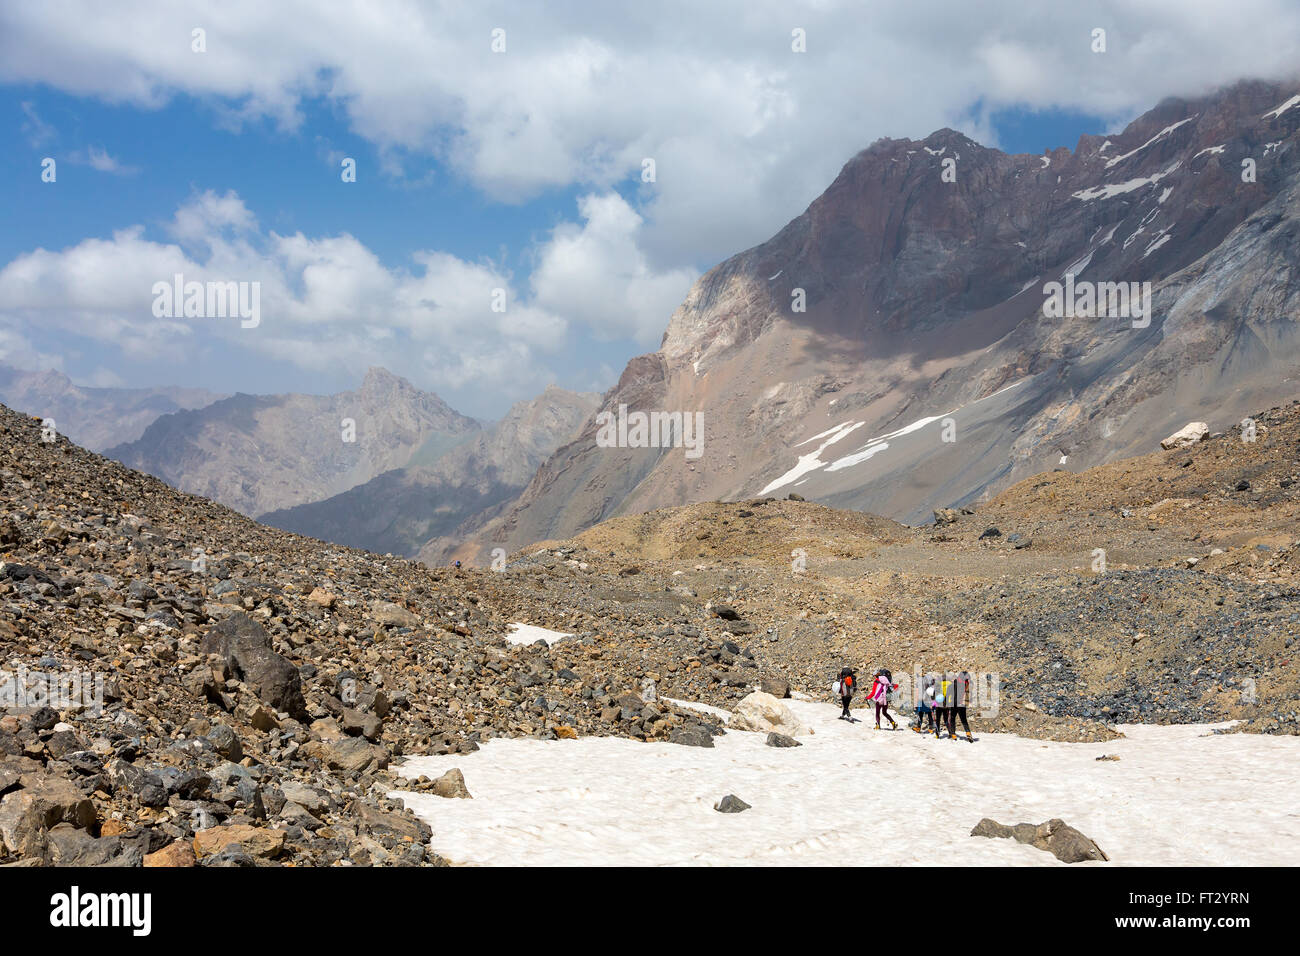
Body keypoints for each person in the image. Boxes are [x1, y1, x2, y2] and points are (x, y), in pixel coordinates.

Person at [949, 669, 974, 742]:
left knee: (952, 718)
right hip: (962, 704)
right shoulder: (968, 684)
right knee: (964, 720)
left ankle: (953, 734)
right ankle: (968, 733)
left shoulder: (955, 683)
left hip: (954, 704)